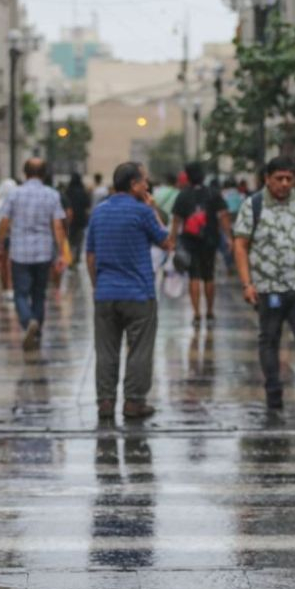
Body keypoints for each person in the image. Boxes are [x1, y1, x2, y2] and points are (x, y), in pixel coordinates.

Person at [233, 156, 295, 409]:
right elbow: (241, 245)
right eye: (279, 179)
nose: (285, 184)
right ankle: (273, 390)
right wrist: (247, 283)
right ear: (267, 179)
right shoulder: (253, 205)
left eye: (289, 179)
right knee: (270, 339)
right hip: (268, 289)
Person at [87, 162, 171, 422]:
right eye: (144, 181)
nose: (147, 186)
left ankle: (105, 402)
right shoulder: (142, 212)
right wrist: (153, 208)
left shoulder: (98, 213)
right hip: (138, 294)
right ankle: (134, 403)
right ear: (134, 184)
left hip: (106, 293)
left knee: (106, 351)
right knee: (139, 350)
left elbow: (90, 256)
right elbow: (166, 241)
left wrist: (97, 285)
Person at [0, 158, 69, 351]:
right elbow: (58, 226)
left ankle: (28, 321)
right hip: (44, 252)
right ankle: (36, 329)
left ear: (25, 173)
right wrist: (61, 251)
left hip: (19, 252)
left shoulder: (14, 194)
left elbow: (4, 220)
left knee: (20, 293)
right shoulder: (52, 195)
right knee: (39, 294)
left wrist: (0, 243)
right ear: (45, 174)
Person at [170, 162, 232, 326]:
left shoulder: (183, 195)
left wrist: (172, 240)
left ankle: (196, 314)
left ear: (188, 176)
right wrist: (229, 237)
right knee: (209, 276)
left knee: (194, 276)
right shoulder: (213, 193)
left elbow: (177, 220)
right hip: (210, 240)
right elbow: (223, 216)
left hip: (190, 241)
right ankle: (210, 312)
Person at [0, 179, 17, 300]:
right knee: (12, 264)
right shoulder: (17, 202)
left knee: (4, 264)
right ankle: (12, 287)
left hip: (4, 238)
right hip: (16, 237)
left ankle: (6, 288)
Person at [65, 172, 91, 267]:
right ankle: (77, 258)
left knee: (70, 240)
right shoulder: (83, 191)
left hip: (70, 219)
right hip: (80, 219)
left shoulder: (68, 191)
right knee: (79, 240)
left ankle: (70, 258)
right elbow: (87, 205)